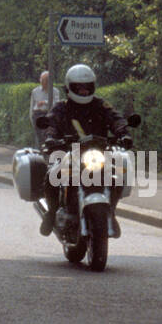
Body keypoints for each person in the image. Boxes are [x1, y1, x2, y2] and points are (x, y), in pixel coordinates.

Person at [38, 63, 132, 236]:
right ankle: (51, 213)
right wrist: (51, 138)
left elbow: (116, 118)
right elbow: (51, 122)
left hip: (98, 153)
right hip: (69, 152)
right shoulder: (61, 107)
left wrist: (124, 133)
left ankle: (110, 212)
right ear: (69, 87)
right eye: (78, 88)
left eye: (87, 87)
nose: (83, 91)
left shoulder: (101, 106)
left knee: (117, 175)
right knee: (53, 174)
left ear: (93, 87)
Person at [29, 70, 60, 146]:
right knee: (40, 137)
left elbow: (57, 104)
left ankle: (47, 154)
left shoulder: (55, 91)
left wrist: (45, 102)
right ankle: (42, 154)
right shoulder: (35, 91)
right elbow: (32, 106)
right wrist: (31, 118)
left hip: (50, 114)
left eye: (46, 80)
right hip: (38, 114)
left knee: (49, 136)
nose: (43, 82)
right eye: (42, 80)